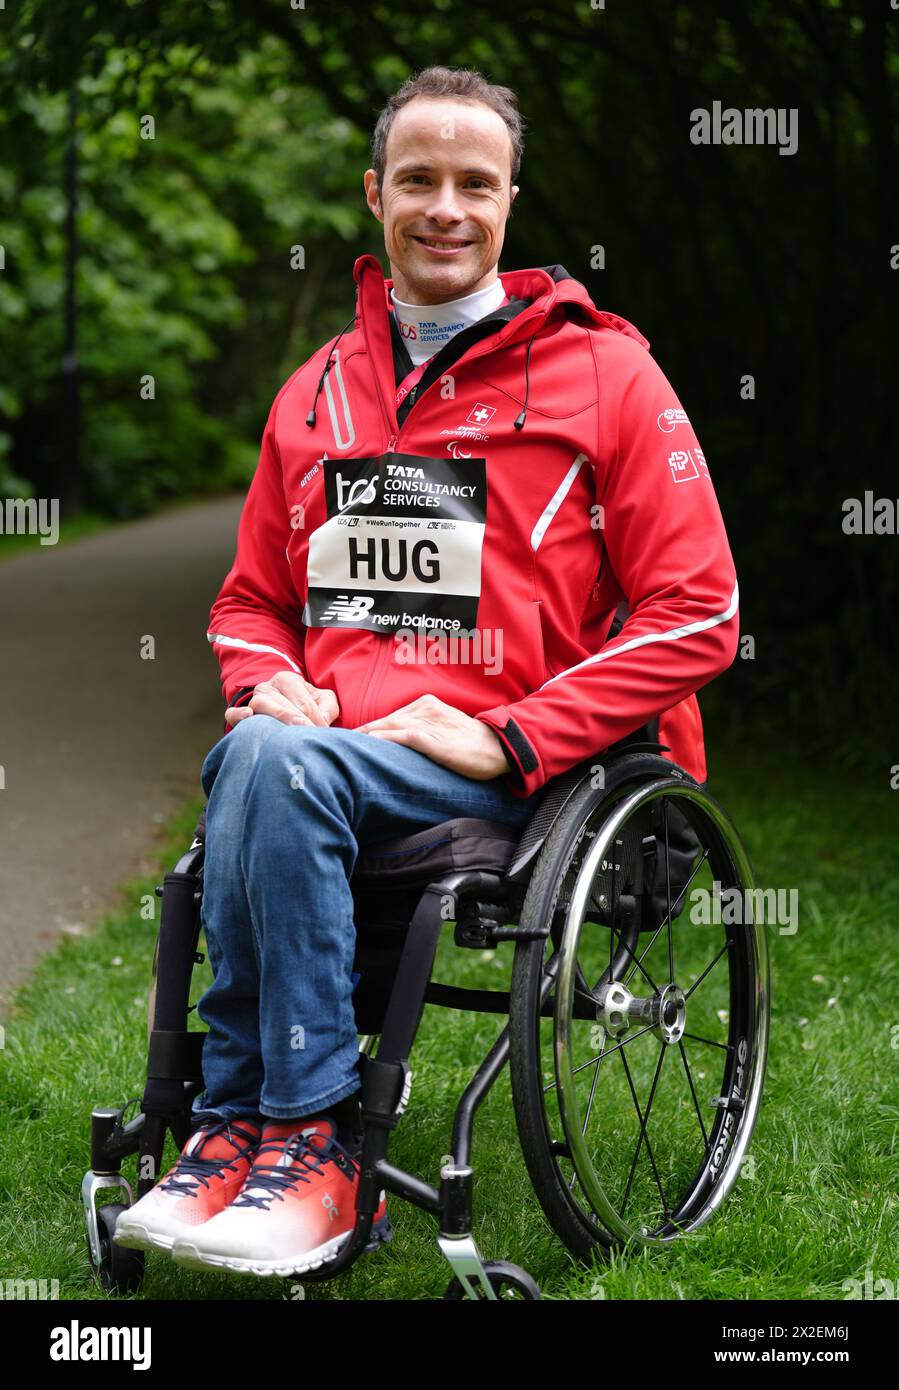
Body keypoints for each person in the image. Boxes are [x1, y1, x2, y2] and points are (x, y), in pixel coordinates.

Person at [115, 64, 739, 1279]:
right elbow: (249, 599)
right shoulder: (315, 392)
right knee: (262, 748)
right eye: (417, 179)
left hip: (524, 775)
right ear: (373, 194)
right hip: (319, 758)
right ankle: (235, 1134)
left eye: (472, 182)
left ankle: (296, 1140)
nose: (443, 206)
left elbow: (698, 611)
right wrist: (265, 680)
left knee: (269, 771)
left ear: (509, 201)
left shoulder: (610, 378)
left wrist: (509, 734)